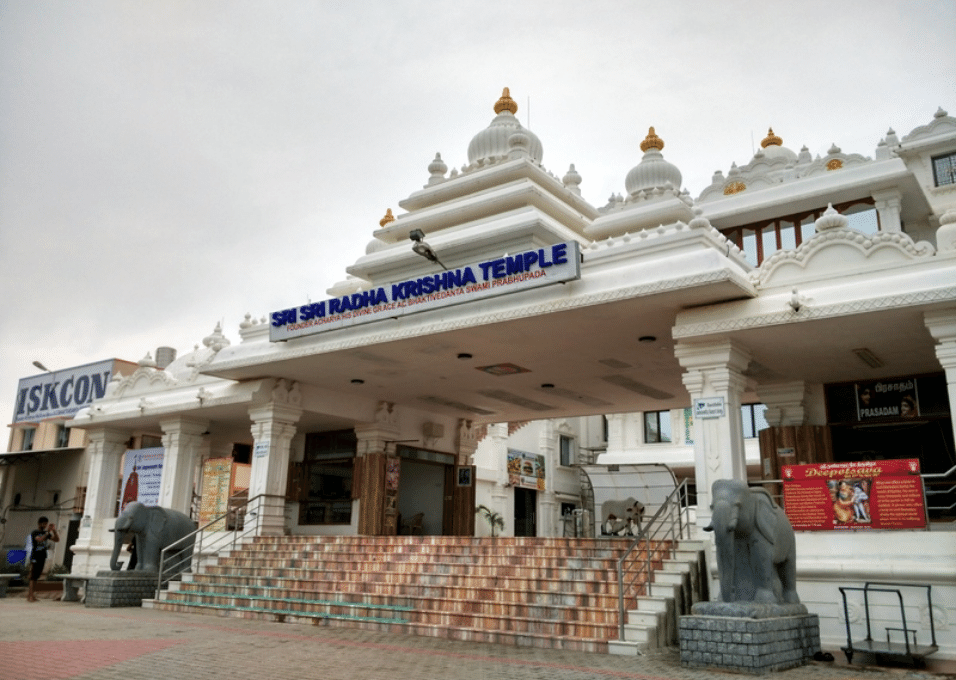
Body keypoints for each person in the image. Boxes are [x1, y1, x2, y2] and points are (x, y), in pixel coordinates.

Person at [27, 516, 59, 602]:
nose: (45, 525)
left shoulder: (46, 533)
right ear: (39, 523)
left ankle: (32, 595)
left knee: (37, 576)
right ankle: (30, 596)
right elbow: (40, 540)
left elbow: (56, 540)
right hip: (35, 556)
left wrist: (54, 531)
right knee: (32, 576)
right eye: (44, 524)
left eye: (46, 524)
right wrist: (48, 532)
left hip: (42, 556)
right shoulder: (35, 532)